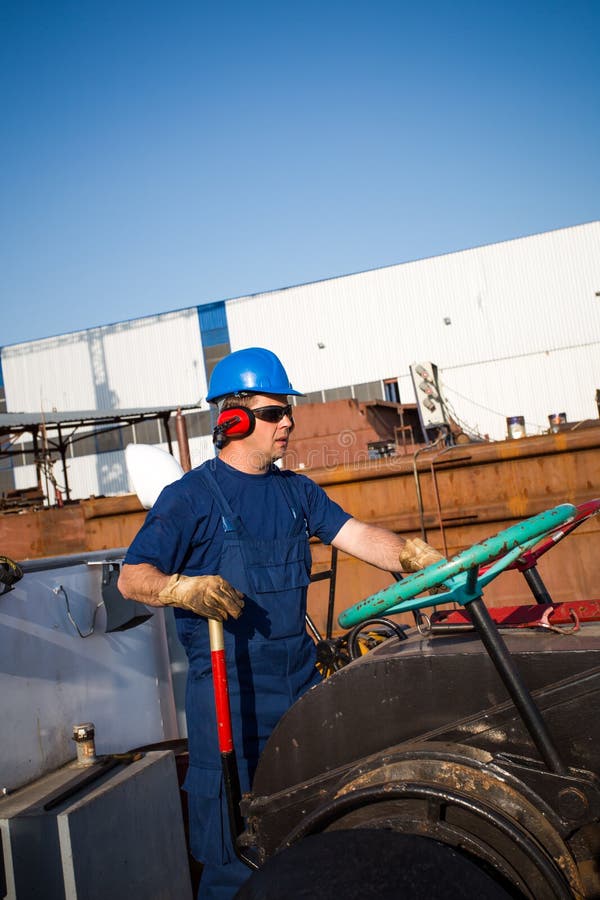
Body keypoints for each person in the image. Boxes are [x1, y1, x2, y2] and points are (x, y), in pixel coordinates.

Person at [118, 347, 443, 899]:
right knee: (235, 858)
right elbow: (132, 578)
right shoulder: (190, 498)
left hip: (300, 699)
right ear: (234, 418)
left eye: (287, 410)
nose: (288, 421)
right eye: (274, 412)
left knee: (310, 840)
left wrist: (414, 555)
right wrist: (181, 587)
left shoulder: (297, 493)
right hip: (229, 707)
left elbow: (358, 536)